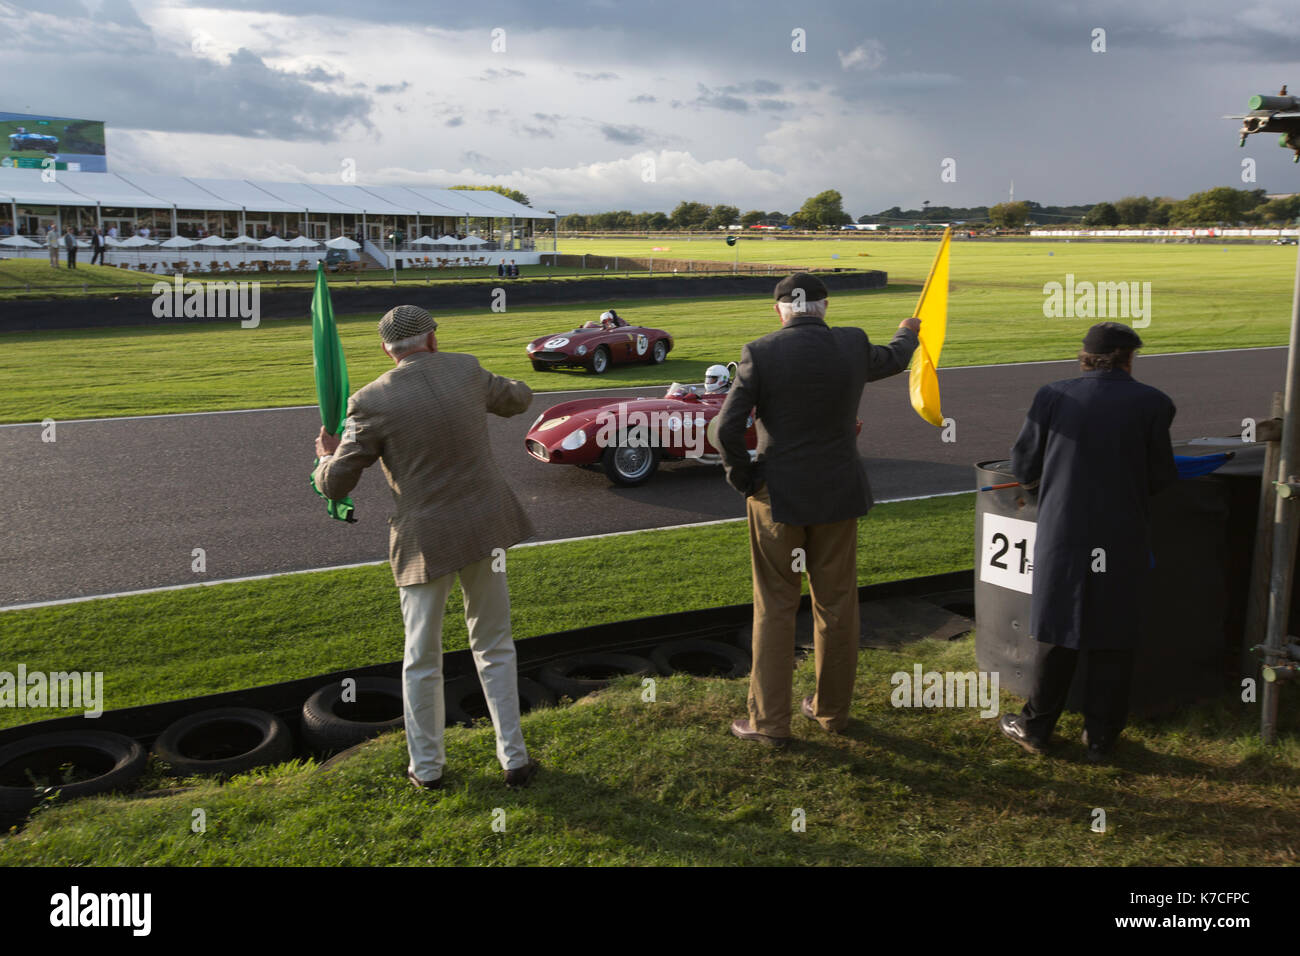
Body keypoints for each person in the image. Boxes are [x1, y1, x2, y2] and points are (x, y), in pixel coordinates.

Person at [312, 305, 541, 791]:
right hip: (485, 527)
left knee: (421, 657)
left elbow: (334, 485)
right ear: (433, 340)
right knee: (495, 644)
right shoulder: (465, 369)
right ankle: (514, 759)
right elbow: (518, 400)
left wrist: (324, 457)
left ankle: (429, 768)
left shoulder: (370, 399)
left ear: (386, 351)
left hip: (424, 540)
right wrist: (496, 382)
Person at [716, 273, 919, 744]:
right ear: (826, 306)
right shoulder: (851, 345)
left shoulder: (760, 352)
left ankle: (769, 723)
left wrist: (745, 479)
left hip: (778, 496)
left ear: (779, 310)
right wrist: (909, 330)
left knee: (775, 608)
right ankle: (832, 712)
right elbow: (894, 358)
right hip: (838, 492)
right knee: (838, 605)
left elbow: (725, 429)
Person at [998, 322, 1177, 762]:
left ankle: (1036, 726)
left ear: (1086, 356)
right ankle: (1101, 738)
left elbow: (1023, 464)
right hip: (1122, 534)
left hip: (1065, 532)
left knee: (1059, 631)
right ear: (1128, 358)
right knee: (1114, 633)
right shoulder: (1155, 403)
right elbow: (1160, 477)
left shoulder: (1053, 395)